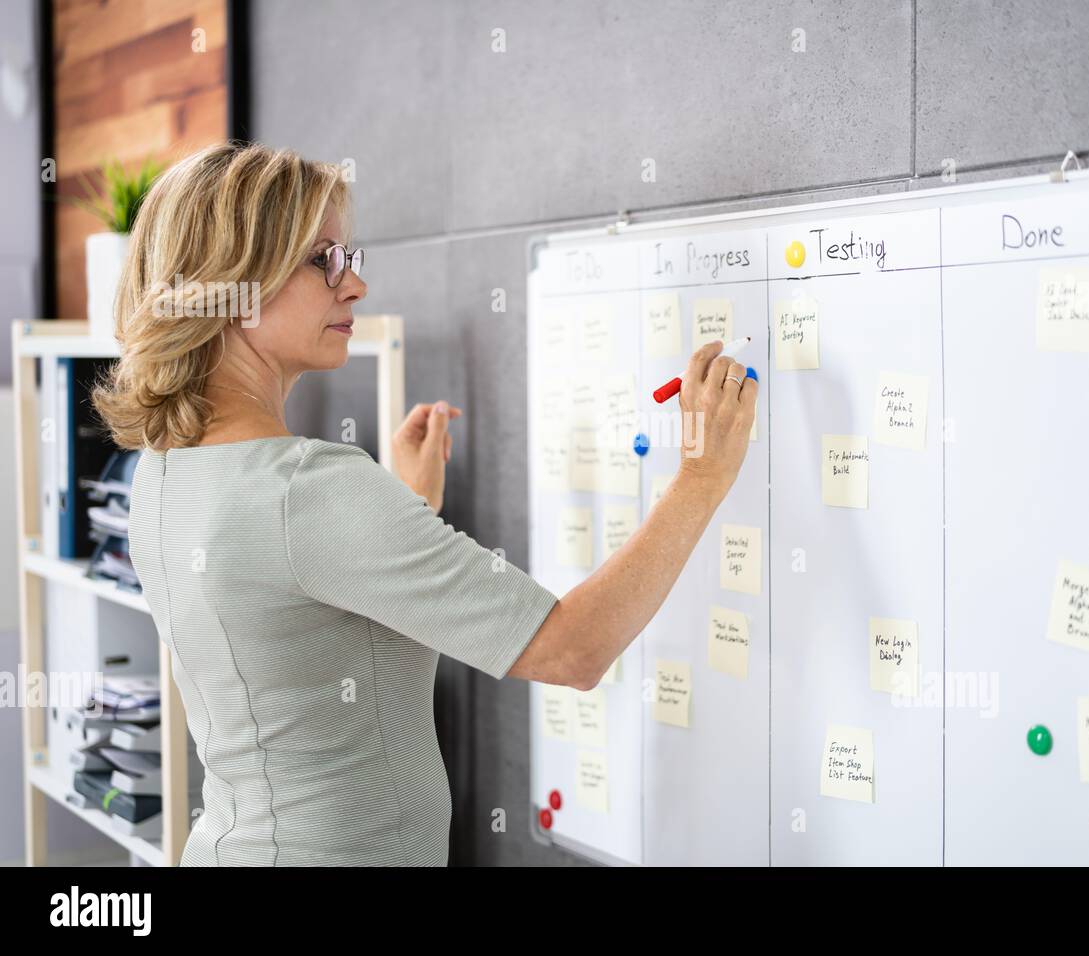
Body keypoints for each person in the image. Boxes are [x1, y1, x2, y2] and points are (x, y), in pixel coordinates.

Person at [91, 141, 758, 865]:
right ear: (232, 282)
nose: (355, 287)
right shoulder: (310, 491)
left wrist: (403, 507)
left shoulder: (161, 473)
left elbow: (290, 628)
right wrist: (700, 476)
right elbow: (574, 649)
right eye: (323, 260)